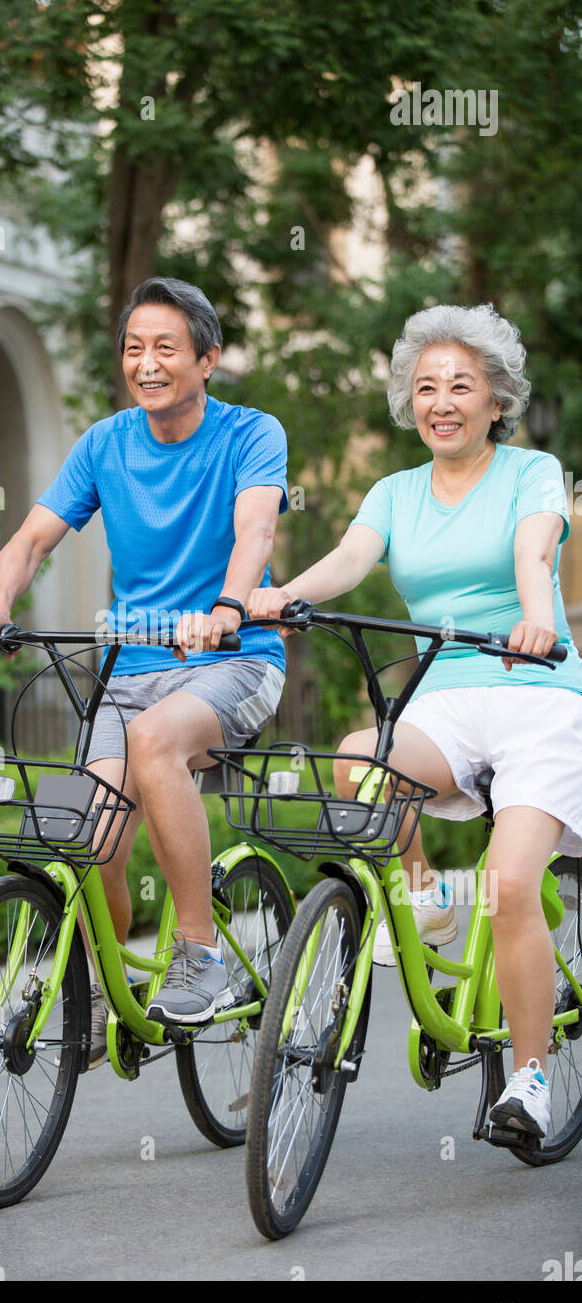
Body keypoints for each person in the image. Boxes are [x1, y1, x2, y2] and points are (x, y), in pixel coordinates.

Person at [247, 302, 582, 1140]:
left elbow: (533, 555)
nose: (442, 401)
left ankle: (532, 1078)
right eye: (426, 386)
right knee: (361, 756)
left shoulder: (532, 470)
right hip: (446, 698)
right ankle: (425, 894)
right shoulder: (395, 492)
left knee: (508, 884)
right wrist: (285, 594)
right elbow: (352, 560)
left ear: (495, 400)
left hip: (538, 694)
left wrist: (536, 618)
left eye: (461, 386)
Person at [0, 276, 288, 1064]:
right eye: (134, 347)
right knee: (87, 836)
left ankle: (201, 954)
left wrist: (230, 607)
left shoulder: (250, 433)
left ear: (207, 359)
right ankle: (105, 984)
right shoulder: (105, 444)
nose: (147, 363)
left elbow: (256, 529)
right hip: (128, 670)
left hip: (231, 662)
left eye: (165, 348)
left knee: (156, 742)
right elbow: (31, 541)